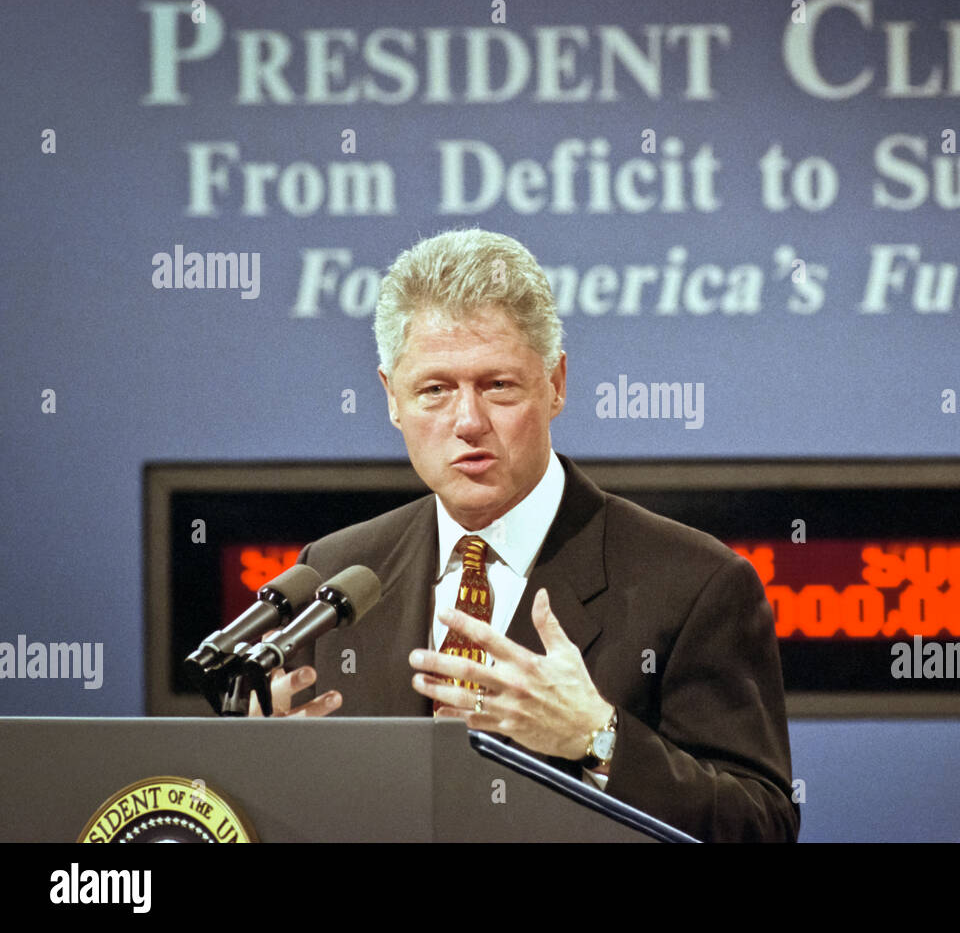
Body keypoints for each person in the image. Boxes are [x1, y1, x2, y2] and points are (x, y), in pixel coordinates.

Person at [256, 228, 798, 843]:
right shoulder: (336, 572)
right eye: (435, 389)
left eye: (498, 386)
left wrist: (598, 739)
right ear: (391, 399)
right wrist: (262, 765)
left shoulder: (694, 582)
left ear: (556, 384)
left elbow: (763, 826)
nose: (468, 422)